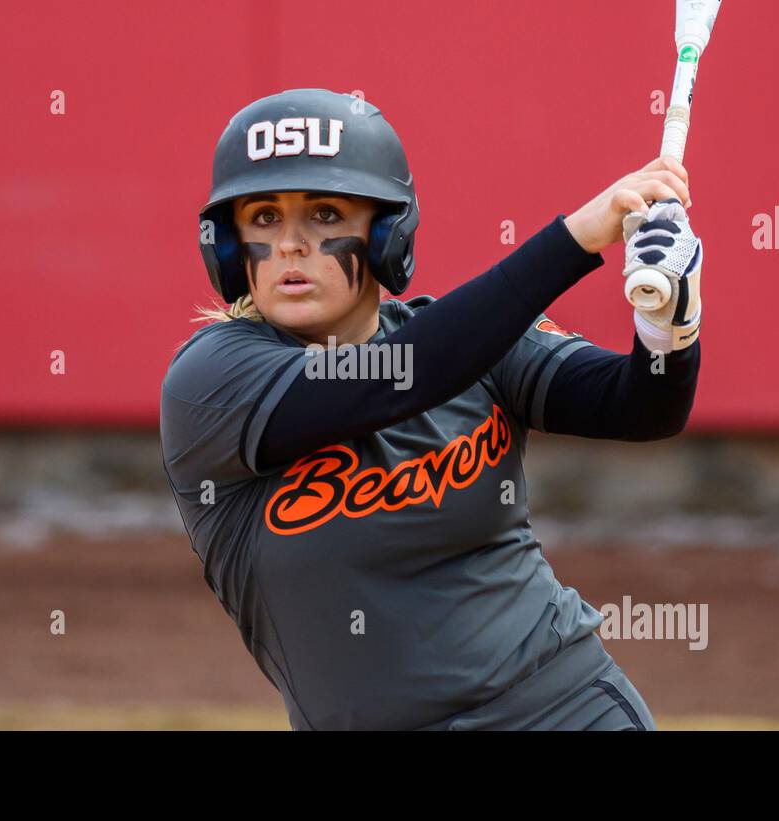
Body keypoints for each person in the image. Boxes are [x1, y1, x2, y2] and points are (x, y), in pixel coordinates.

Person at [160, 88, 702, 730]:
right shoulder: (211, 379)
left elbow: (642, 408)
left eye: (327, 214)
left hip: (565, 708)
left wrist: (669, 325)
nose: (292, 245)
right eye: (264, 218)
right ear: (227, 246)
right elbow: (400, 377)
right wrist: (575, 239)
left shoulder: (471, 343)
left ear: (388, 233)